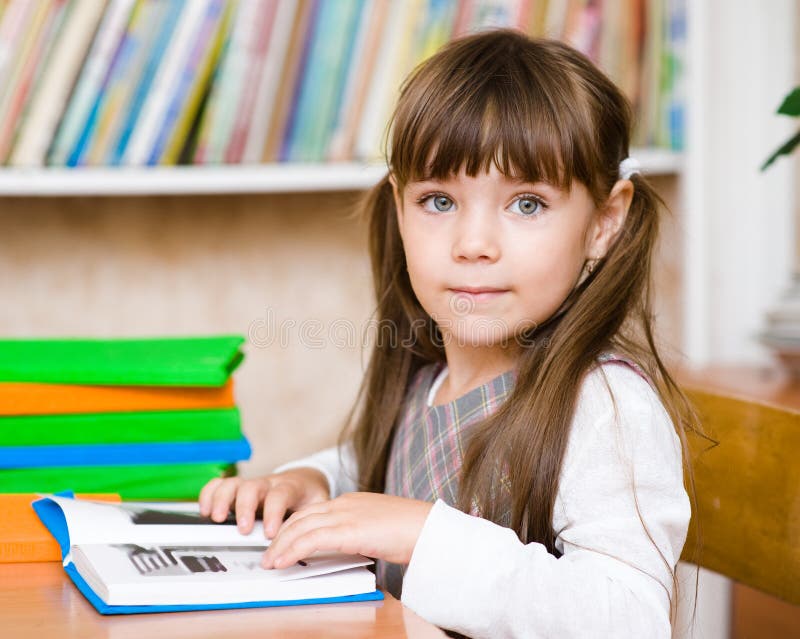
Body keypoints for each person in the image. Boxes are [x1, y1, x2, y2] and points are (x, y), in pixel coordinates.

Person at [199, 29, 701, 638]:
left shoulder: (605, 408)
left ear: (603, 222)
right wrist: (314, 482)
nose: (473, 245)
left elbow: (630, 619)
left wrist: (423, 534)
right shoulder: (427, 382)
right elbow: (388, 469)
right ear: (399, 207)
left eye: (527, 204)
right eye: (439, 201)